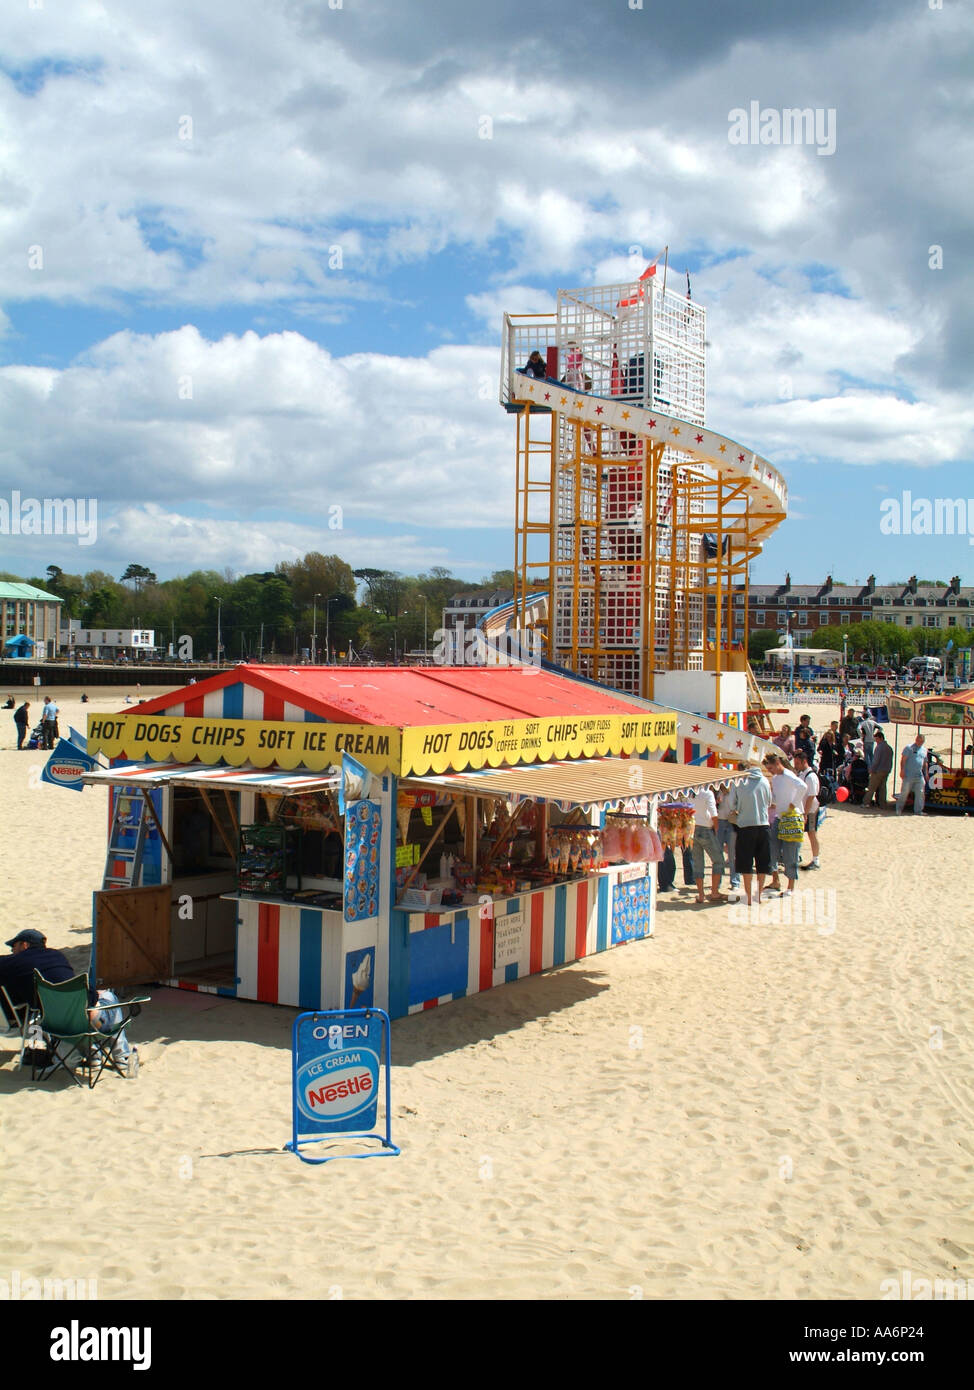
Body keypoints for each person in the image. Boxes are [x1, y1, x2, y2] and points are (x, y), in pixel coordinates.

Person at [0, 929, 74, 1023]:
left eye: (13, 947)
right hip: (76, 1010)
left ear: (24, 945)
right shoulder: (58, 955)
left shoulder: (19, 960)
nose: (12, 951)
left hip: (46, 1017)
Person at [726, 765, 772, 906]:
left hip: (745, 825)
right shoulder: (764, 781)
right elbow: (769, 802)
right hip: (763, 825)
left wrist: (739, 808)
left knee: (746, 862)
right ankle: (758, 896)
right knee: (762, 862)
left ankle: (748, 896)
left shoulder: (739, 781)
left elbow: (731, 804)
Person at [762, 753, 807, 895]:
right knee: (772, 850)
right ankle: (775, 881)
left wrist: (793, 804)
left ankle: (790, 887)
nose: (770, 771)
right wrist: (771, 802)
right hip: (779, 817)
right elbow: (777, 796)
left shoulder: (788, 775)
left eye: (770, 768)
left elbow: (803, 787)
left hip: (792, 818)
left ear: (776, 763)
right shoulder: (776, 779)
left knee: (790, 853)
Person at [691, 786, 725, 903]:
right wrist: (716, 829)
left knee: (698, 863)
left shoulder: (689, 793)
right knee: (718, 860)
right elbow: (713, 814)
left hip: (692, 828)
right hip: (705, 828)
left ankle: (701, 894)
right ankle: (714, 892)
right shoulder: (707, 793)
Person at [793, 750, 821, 870]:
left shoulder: (811, 776)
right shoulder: (801, 774)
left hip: (810, 810)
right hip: (803, 809)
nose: (796, 765)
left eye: (798, 763)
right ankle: (797, 855)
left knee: (811, 833)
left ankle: (816, 860)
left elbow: (811, 796)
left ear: (804, 761)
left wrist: (805, 813)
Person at [716, 786, 741, 898]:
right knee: (718, 854)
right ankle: (717, 882)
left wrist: (728, 793)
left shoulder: (735, 789)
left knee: (733, 854)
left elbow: (735, 806)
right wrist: (721, 795)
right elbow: (716, 806)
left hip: (731, 821)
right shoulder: (717, 790)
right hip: (720, 821)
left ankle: (735, 882)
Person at [896, 733, 927, 815]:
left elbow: (925, 762)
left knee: (920, 793)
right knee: (904, 792)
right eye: (918, 740)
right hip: (908, 774)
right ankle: (899, 808)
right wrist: (902, 770)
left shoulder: (924, 750)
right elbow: (903, 760)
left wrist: (926, 773)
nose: (919, 742)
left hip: (919, 775)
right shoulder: (909, 748)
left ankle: (918, 810)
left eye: (921, 741)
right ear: (916, 739)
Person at [862, 728, 893, 808]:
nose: (876, 741)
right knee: (883, 788)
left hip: (878, 771)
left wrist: (871, 770)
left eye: (877, 739)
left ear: (881, 738)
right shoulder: (889, 748)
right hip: (886, 770)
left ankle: (866, 802)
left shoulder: (879, 748)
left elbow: (876, 761)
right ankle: (882, 804)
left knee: (871, 787)